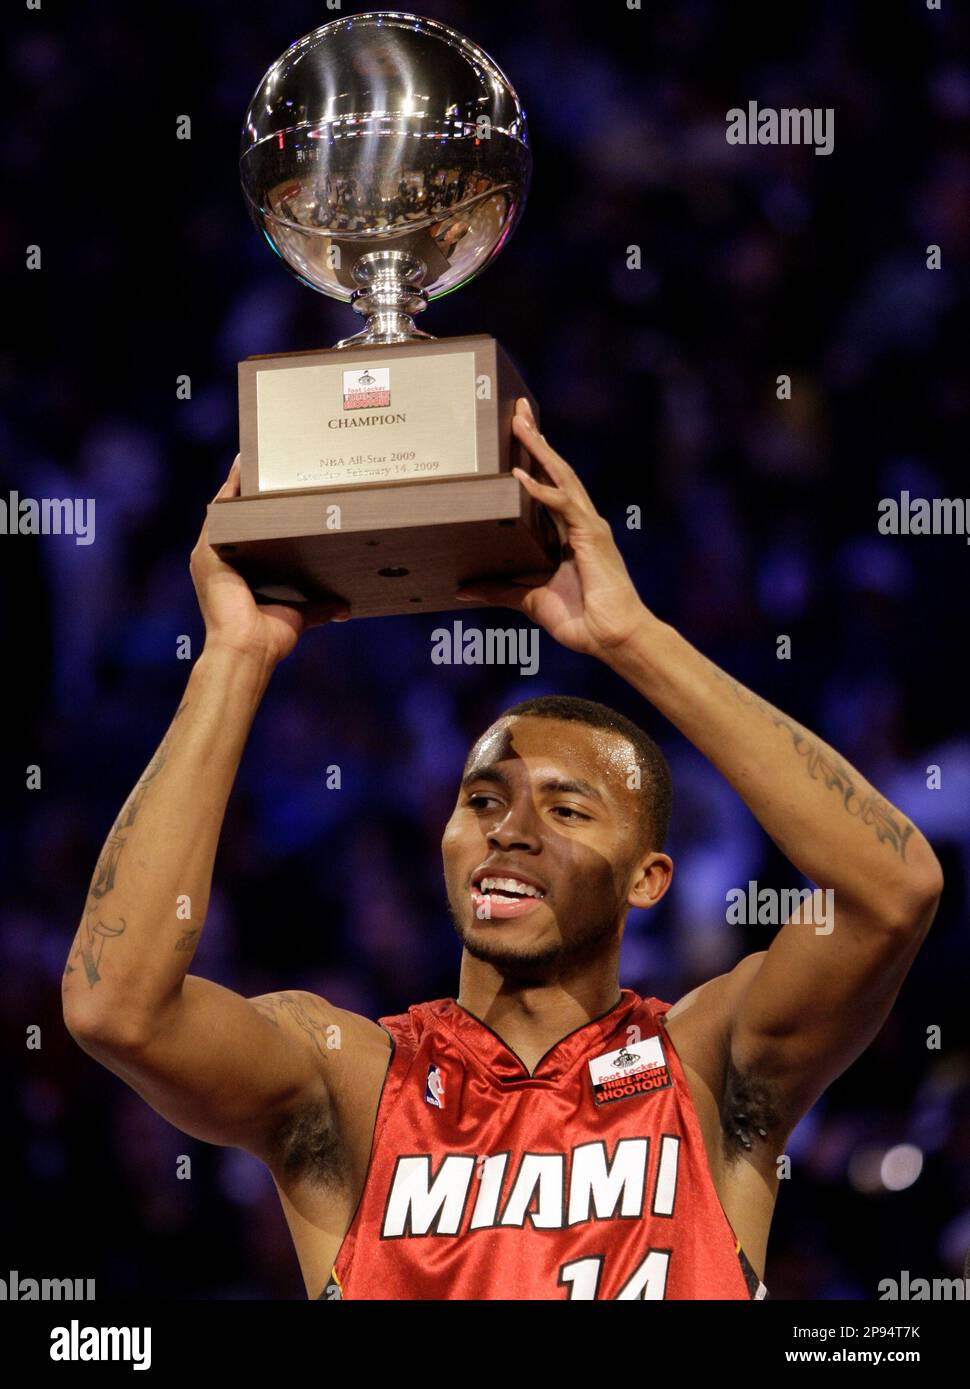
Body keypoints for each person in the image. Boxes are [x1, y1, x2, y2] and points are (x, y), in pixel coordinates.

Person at [62, 399, 943, 1300]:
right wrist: (233, 660)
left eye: (567, 810)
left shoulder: (709, 1069)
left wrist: (632, 639)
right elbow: (113, 1007)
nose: (511, 829)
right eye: (483, 799)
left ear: (650, 879)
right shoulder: (348, 1075)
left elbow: (892, 888)